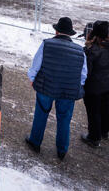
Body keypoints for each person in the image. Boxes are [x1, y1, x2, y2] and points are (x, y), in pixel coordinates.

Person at [25, 17, 87, 160]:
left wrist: (33, 79)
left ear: (56, 30)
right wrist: (76, 86)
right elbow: (83, 74)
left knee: (41, 114)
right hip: (68, 91)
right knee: (64, 119)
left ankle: (35, 142)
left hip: (46, 87)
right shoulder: (80, 51)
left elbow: (36, 65)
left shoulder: (47, 44)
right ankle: (62, 150)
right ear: (70, 34)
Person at [80, 20, 109, 148]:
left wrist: (83, 84)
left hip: (95, 86)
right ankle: (104, 131)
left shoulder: (92, 50)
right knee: (104, 105)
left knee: (93, 110)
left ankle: (94, 137)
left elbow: (87, 71)